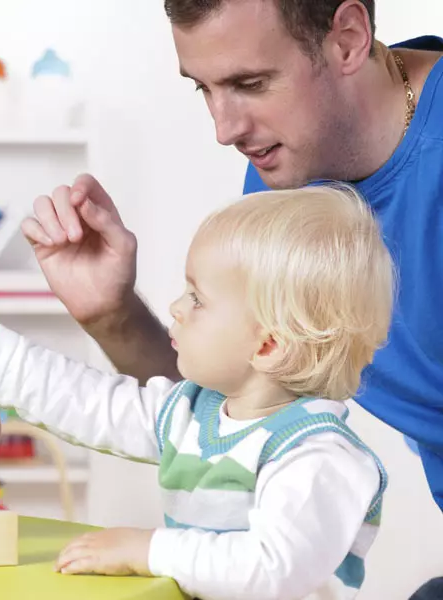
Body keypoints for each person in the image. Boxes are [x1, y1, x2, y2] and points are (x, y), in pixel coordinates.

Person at [22, 0, 443, 516]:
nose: (224, 129)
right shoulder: (291, 173)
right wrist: (112, 315)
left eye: (251, 84)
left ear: (349, 39)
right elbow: (232, 409)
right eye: (204, 87)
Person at [0, 184, 393, 599]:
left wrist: (148, 549)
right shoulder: (192, 412)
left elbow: (271, 569)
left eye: (197, 299)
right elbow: (90, 405)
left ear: (268, 344)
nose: (176, 308)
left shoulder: (319, 457)